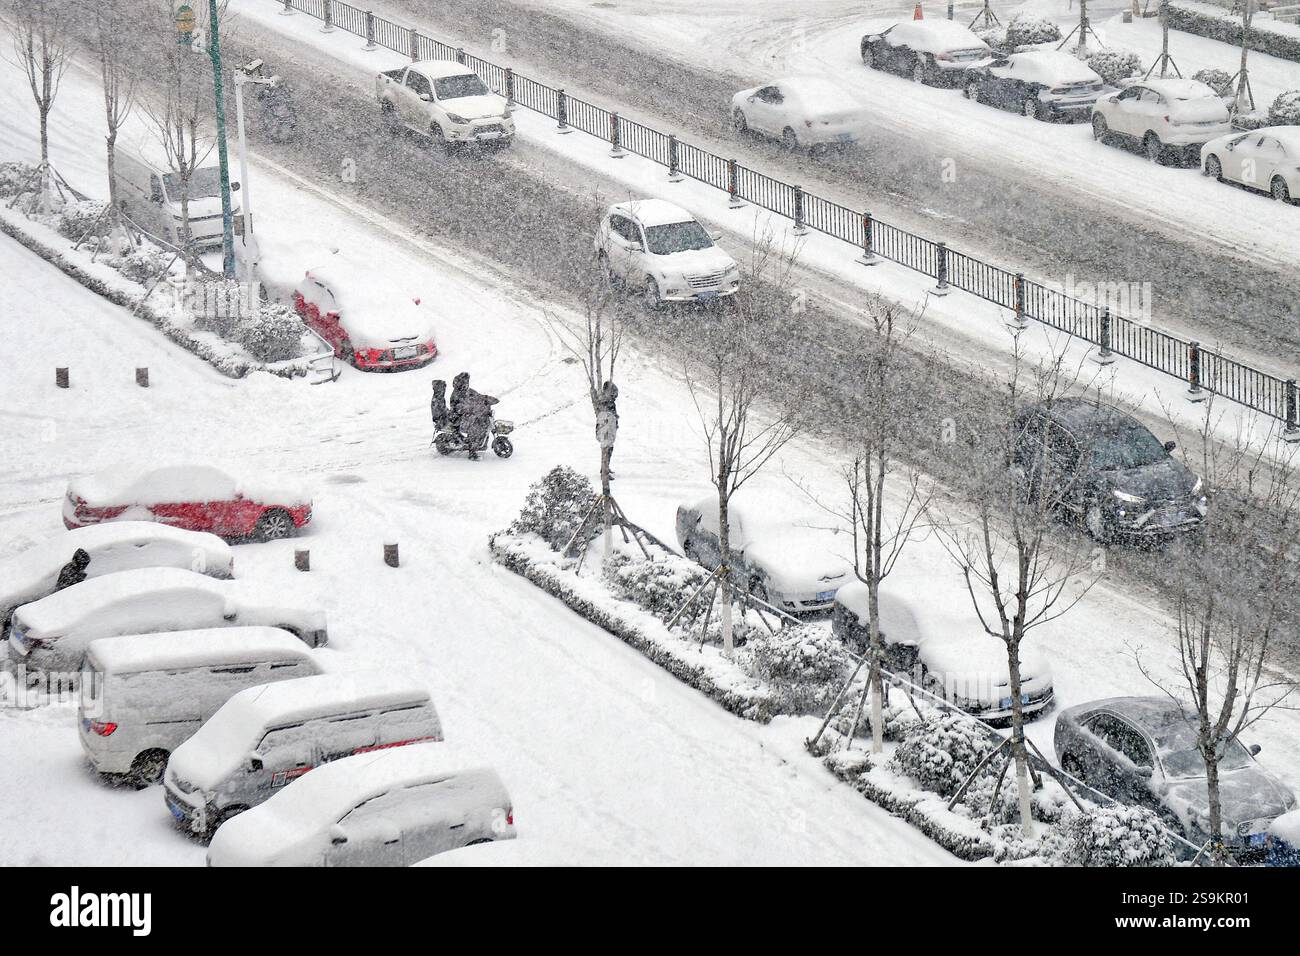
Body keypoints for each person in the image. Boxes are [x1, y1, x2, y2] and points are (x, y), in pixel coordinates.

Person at [595, 380, 619, 481]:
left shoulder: (610, 402)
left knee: (609, 448)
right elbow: (604, 415)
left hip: (609, 428)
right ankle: (604, 471)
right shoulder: (604, 401)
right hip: (606, 429)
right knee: (606, 448)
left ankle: (605, 467)